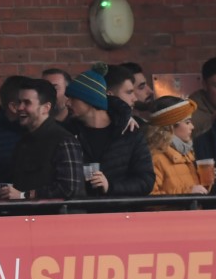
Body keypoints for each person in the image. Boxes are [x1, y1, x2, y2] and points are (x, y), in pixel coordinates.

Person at [65, 67, 154, 197]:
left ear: (90, 99)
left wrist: (110, 186)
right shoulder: (68, 133)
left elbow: (146, 181)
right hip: (81, 208)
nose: (67, 103)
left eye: (73, 98)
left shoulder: (129, 132)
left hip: (120, 209)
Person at [1, 77, 83, 201]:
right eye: (19, 102)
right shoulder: (23, 142)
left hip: (59, 213)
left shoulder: (64, 141)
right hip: (26, 213)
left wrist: (24, 195)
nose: (20, 107)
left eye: (27, 102)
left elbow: (70, 189)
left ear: (46, 108)